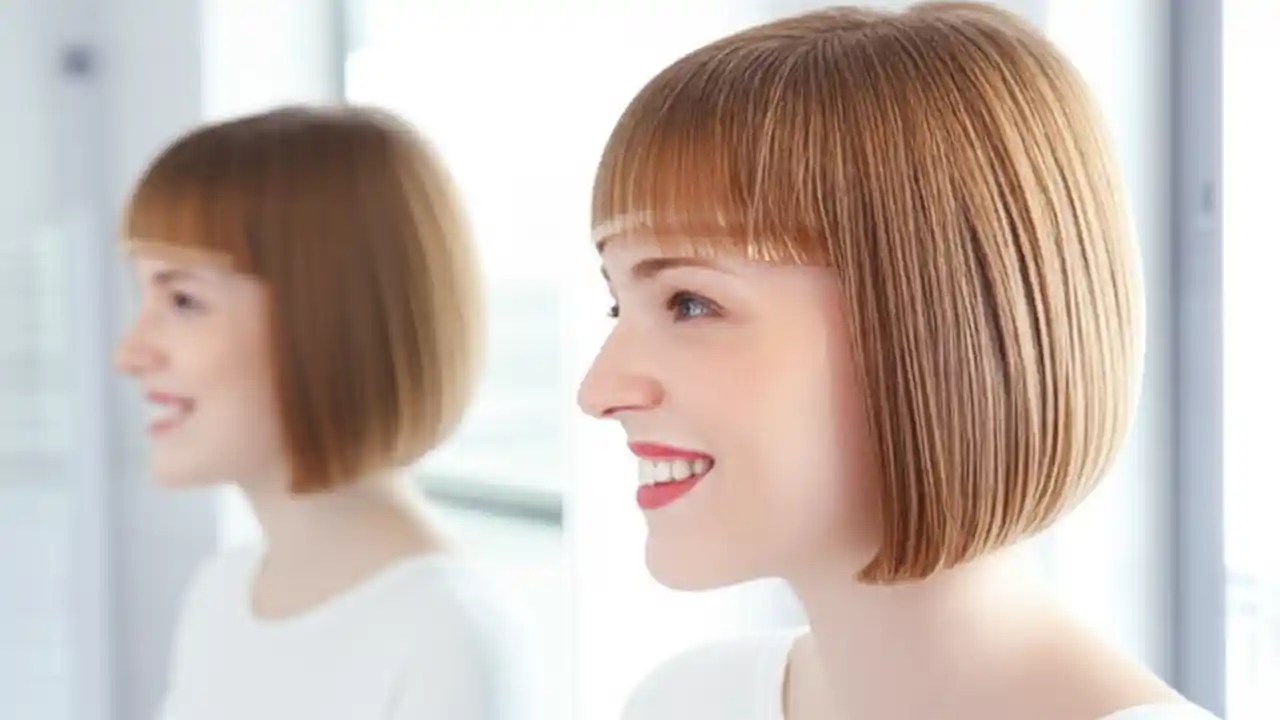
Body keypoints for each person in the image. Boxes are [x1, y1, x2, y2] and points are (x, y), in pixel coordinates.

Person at [577, 4, 1218, 719]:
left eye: (690, 302)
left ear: (940, 317)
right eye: (617, 306)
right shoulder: (684, 702)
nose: (599, 390)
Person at [115, 105, 533, 719]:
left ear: (328, 318)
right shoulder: (221, 593)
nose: (130, 353)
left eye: (183, 300)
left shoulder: (445, 635)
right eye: (144, 294)